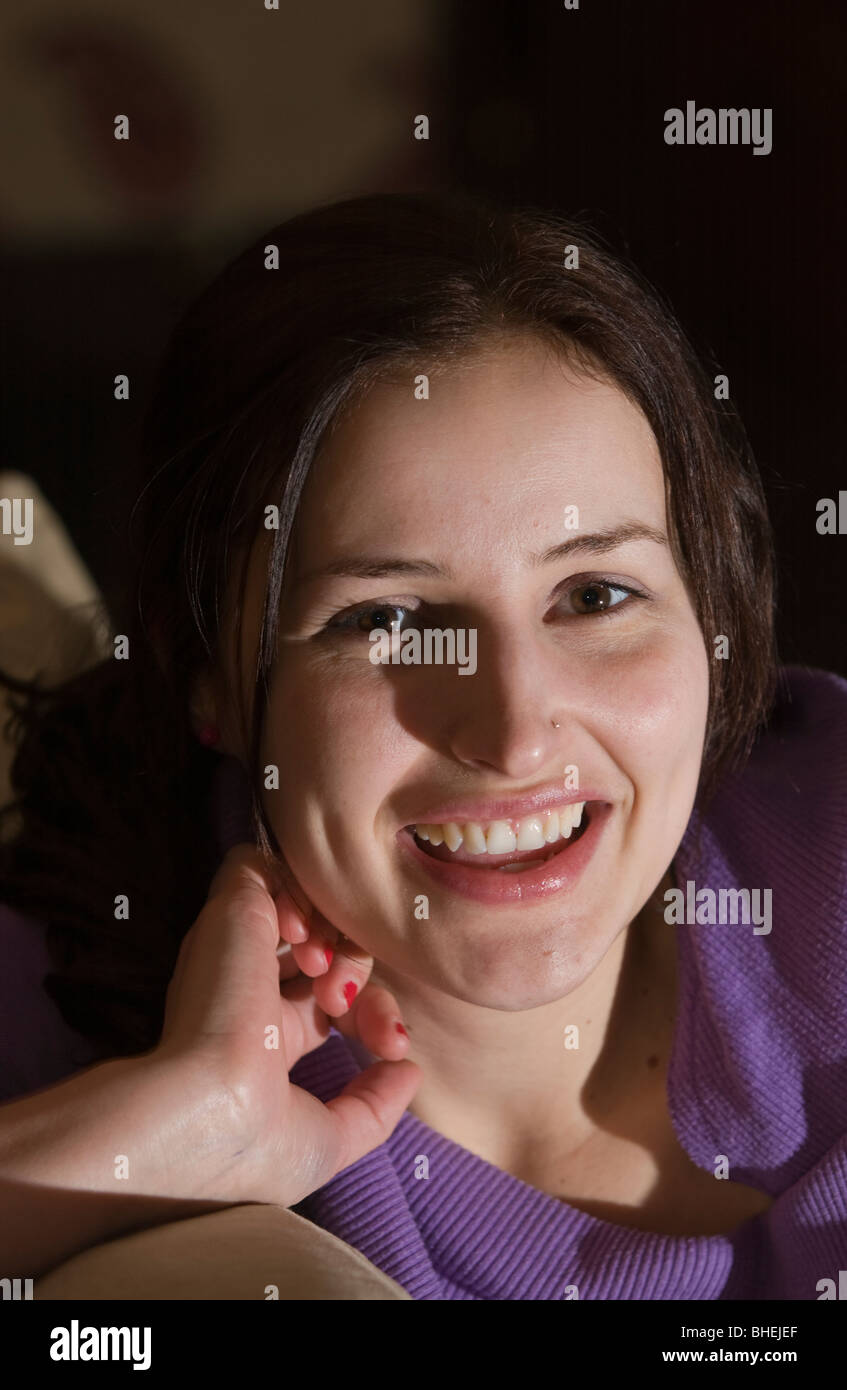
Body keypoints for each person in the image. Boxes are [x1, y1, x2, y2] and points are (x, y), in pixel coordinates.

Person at [1, 191, 845, 1301]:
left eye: (594, 594)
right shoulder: (64, 992)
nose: (512, 731)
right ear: (205, 675)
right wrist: (166, 1131)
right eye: (386, 621)